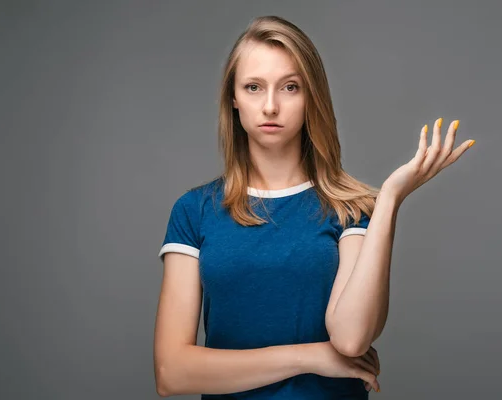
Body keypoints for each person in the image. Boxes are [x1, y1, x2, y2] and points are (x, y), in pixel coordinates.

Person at [153, 15, 475, 399]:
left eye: (290, 87)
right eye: (254, 87)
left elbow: (352, 338)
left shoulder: (351, 209)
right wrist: (309, 357)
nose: (270, 105)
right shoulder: (194, 211)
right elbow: (171, 373)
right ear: (234, 99)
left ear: (312, 97)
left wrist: (388, 199)